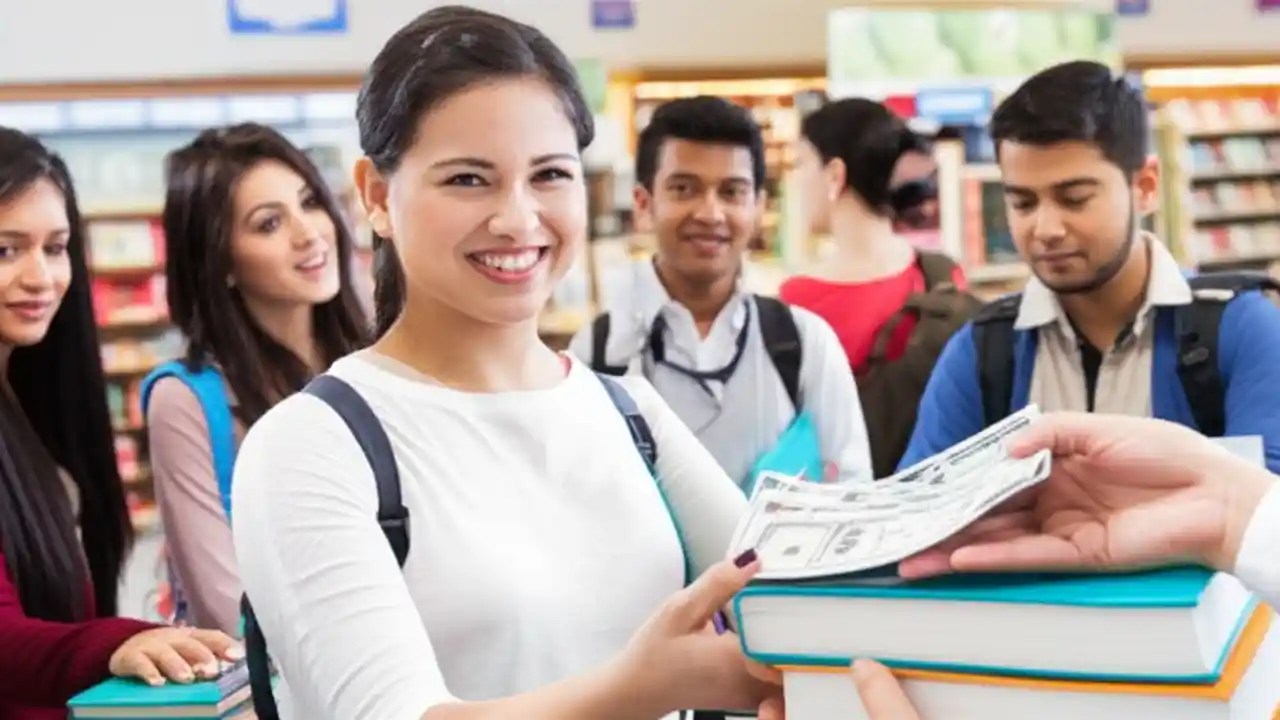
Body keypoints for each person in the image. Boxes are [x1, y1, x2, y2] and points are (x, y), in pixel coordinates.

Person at [229, 7, 776, 719]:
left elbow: (787, 591)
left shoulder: (630, 412)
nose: (519, 219)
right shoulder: (311, 444)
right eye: (467, 180)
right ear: (375, 196)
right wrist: (642, 689)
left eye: (549, 175)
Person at [900, 60, 1280, 472]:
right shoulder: (983, 352)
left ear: (1145, 186)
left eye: (1075, 198)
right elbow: (922, 508)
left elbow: (1268, 508)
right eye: (1022, 203)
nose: (1045, 229)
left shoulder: (1241, 330)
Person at [785, 411, 1280, 719]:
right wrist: (1225, 506)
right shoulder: (984, 346)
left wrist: (1228, 507)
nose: (1046, 233)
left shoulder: (1234, 323)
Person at [0, 127, 239, 719]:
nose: (41, 277)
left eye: (55, 248)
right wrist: (119, 643)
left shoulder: (36, 396)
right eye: (6, 249)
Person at [571, 95, 873, 488]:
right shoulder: (595, 353)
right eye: (683, 189)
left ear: (758, 205)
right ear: (644, 204)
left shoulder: (802, 343)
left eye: (732, 192)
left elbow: (851, 490)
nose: (710, 213)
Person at [139, 123, 369, 635]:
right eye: (268, 224)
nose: (309, 232)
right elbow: (225, 604)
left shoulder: (377, 361)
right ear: (219, 260)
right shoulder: (187, 400)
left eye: (309, 202)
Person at [779, 98, 982, 477]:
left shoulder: (798, 301)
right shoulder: (942, 276)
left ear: (834, 176)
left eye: (801, 164)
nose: (795, 182)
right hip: (933, 501)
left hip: (839, 512)